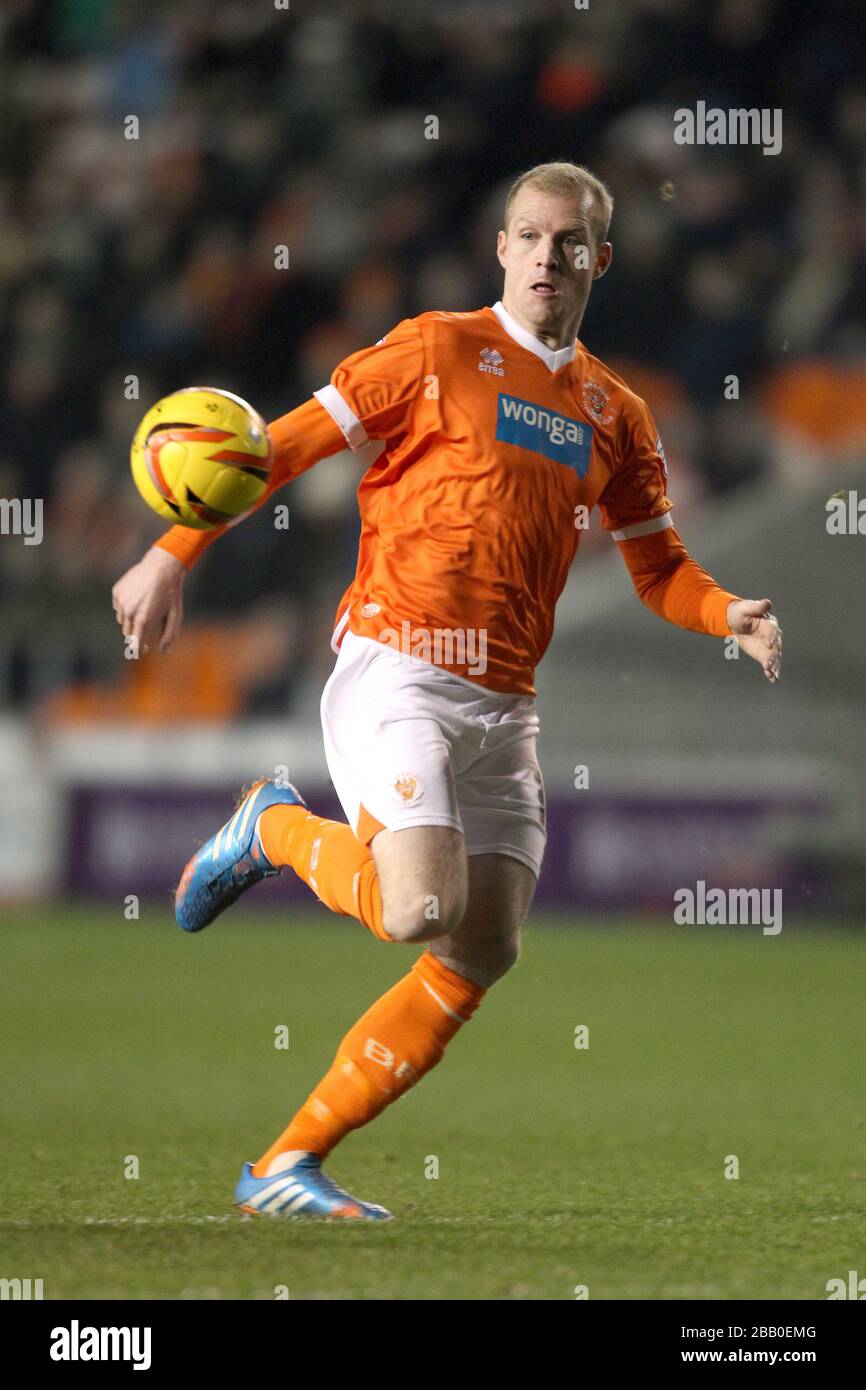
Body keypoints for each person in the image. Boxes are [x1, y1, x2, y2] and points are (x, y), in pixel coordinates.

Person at [111, 162, 782, 1221]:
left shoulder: (616, 412)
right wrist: (169, 555)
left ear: (598, 258)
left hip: (503, 702)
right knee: (420, 907)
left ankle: (281, 1165)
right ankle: (274, 827)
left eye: (569, 241)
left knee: (484, 946)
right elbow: (271, 451)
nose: (547, 256)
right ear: (501, 248)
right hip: (399, 665)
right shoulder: (431, 348)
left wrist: (725, 611)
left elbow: (658, 569)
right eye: (528, 235)